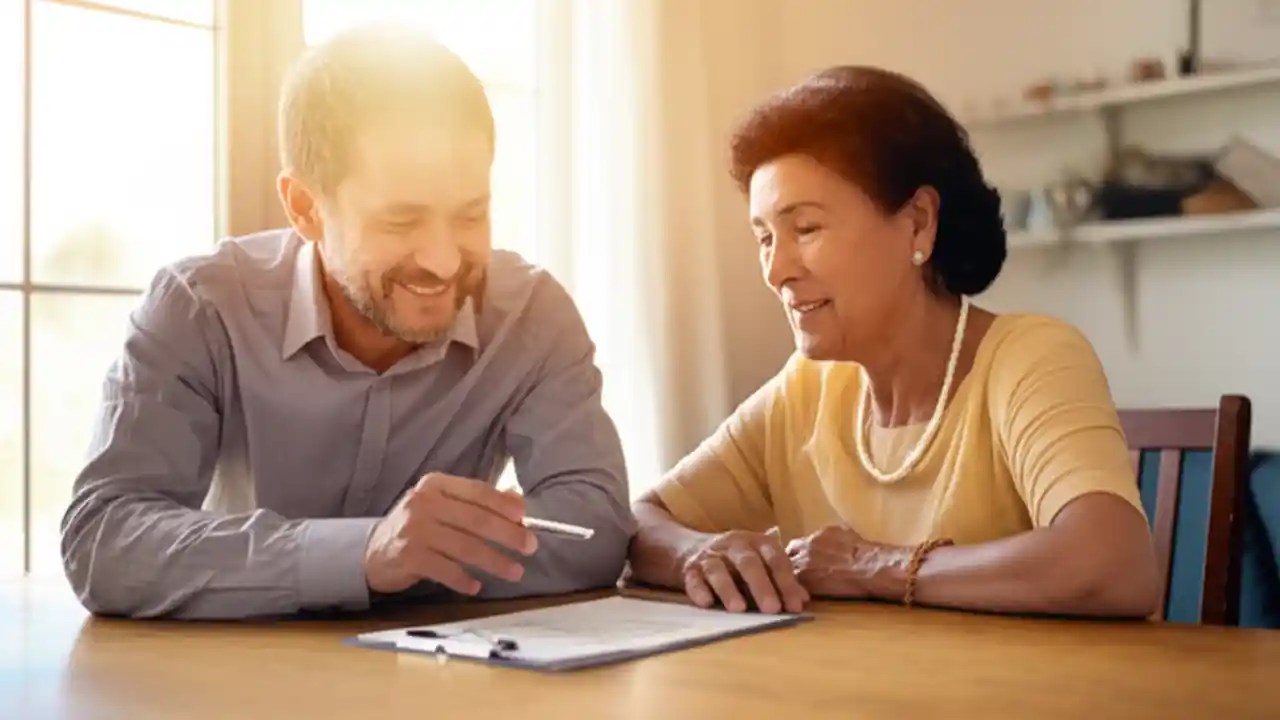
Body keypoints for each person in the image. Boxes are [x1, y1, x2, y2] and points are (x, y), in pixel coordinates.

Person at [60, 26, 633, 619]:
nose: (443, 260)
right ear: (305, 208)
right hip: (232, 682)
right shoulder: (199, 307)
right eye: (401, 221)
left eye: (471, 214)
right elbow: (104, 540)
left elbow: (594, 530)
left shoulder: (532, 317)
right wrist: (362, 556)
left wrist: (406, 563)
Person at [628, 66, 1159, 618]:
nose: (776, 269)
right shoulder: (806, 390)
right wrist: (702, 552)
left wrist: (867, 567)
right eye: (764, 237)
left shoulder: (1030, 358)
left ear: (918, 224)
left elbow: (1112, 565)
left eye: (805, 228)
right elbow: (643, 523)